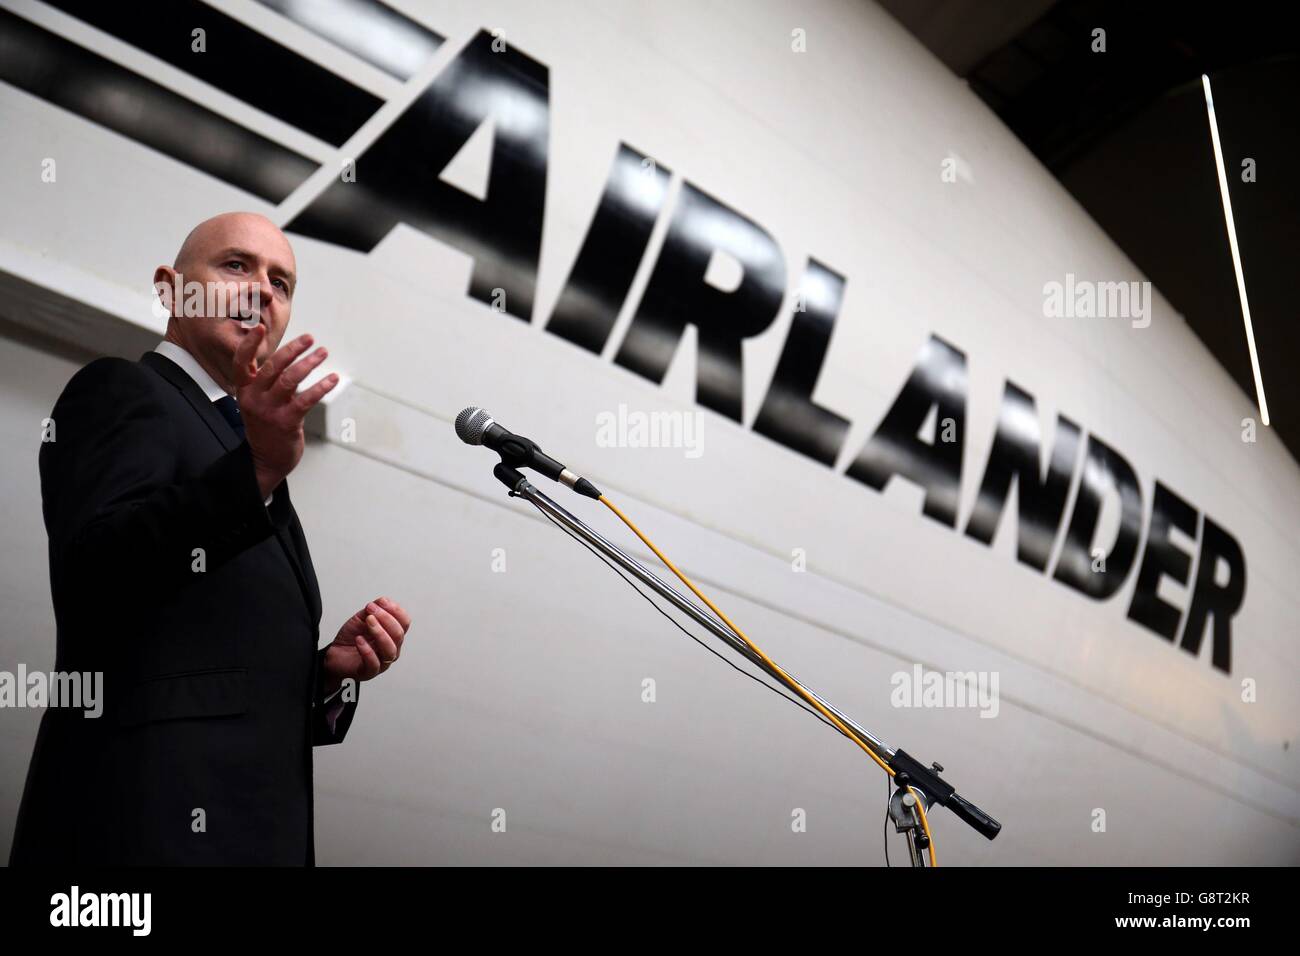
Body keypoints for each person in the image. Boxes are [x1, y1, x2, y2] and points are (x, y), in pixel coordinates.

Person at [9, 212, 411, 865]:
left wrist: (325, 674)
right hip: (134, 835)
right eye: (236, 265)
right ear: (170, 289)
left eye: (282, 283)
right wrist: (256, 468)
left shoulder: (249, 451)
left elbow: (220, 673)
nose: (262, 291)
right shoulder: (122, 390)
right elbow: (99, 571)